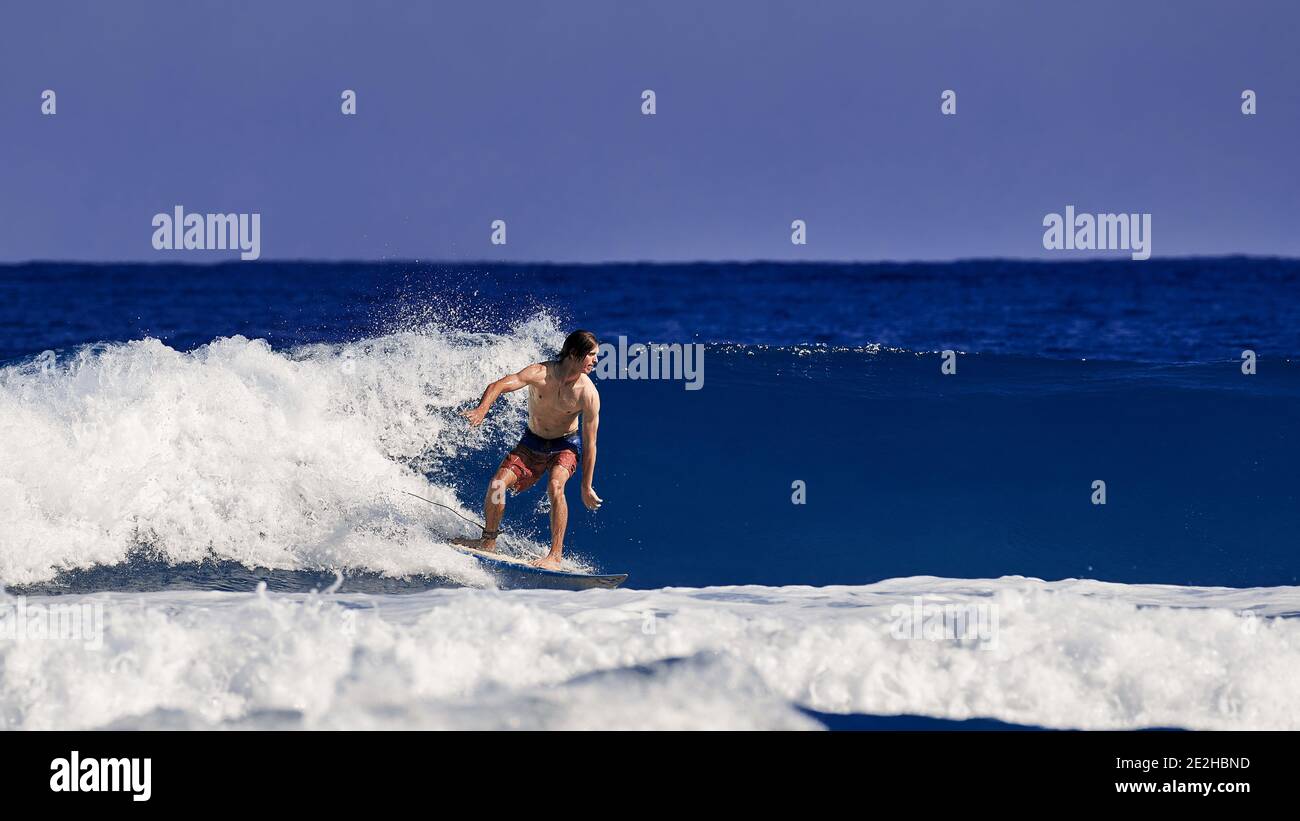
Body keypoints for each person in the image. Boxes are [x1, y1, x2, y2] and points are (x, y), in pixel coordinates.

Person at [452, 330, 603, 569]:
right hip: (532, 442)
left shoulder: (588, 393)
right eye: (591, 355)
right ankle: (487, 541)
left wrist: (586, 486)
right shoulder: (540, 373)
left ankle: (555, 556)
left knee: (556, 486)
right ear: (575, 353)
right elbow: (498, 385)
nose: (595, 361)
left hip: (565, 445)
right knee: (497, 485)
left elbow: (591, 442)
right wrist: (482, 410)